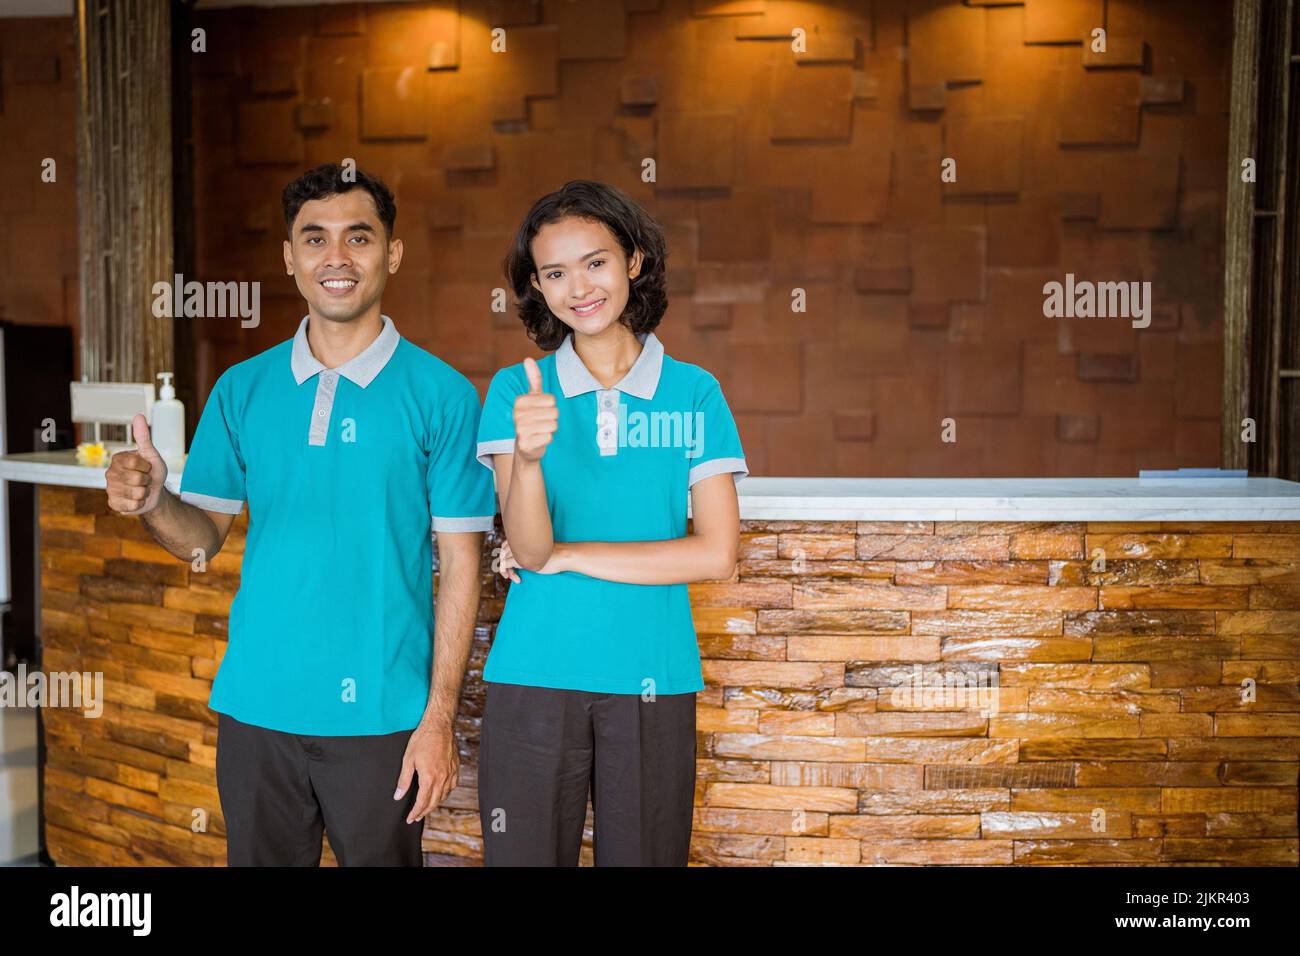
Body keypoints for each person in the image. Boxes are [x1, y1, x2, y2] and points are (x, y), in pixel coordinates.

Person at [103, 163, 495, 866]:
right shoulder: (241, 389)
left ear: (392, 253)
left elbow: (463, 567)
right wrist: (156, 501)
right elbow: (203, 542)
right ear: (289, 257)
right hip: (257, 711)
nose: (336, 258)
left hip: (383, 721)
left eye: (359, 237)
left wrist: (438, 719)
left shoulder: (443, 396)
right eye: (315, 239)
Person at [475, 180, 747, 866]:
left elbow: (715, 554)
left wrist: (572, 556)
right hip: (534, 675)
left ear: (634, 262)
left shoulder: (694, 391)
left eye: (595, 262)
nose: (578, 287)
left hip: (653, 676)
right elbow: (531, 549)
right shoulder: (518, 390)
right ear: (537, 287)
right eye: (555, 273)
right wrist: (529, 461)